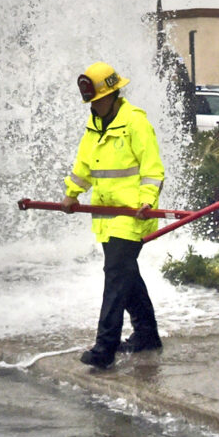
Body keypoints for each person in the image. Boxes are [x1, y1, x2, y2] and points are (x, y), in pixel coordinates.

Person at [60, 60, 165, 369]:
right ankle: (146, 334)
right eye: (90, 102)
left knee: (116, 277)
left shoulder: (135, 122)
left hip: (133, 215)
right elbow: (84, 167)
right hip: (107, 216)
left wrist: (147, 202)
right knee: (126, 275)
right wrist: (71, 194)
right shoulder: (94, 125)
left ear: (114, 93)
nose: (94, 106)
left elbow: (152, 169)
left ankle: (104, 348)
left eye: (98, 99)